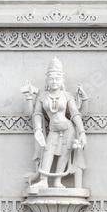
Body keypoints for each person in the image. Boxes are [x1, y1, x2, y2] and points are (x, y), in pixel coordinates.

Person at [23, 57, 87, 190]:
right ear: (46, 81)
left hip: (68, 129)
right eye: (51, 79)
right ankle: (43, 180)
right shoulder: (42, 96)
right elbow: (36, 114)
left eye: (57, 79)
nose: (54, 81)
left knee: (65, 154)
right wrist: (38, 129)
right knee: (48, 151)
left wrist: (82, 132)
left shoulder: (67, 95)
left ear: (62, 80)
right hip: (53, 128)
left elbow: (75, 114)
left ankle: (58, 180)